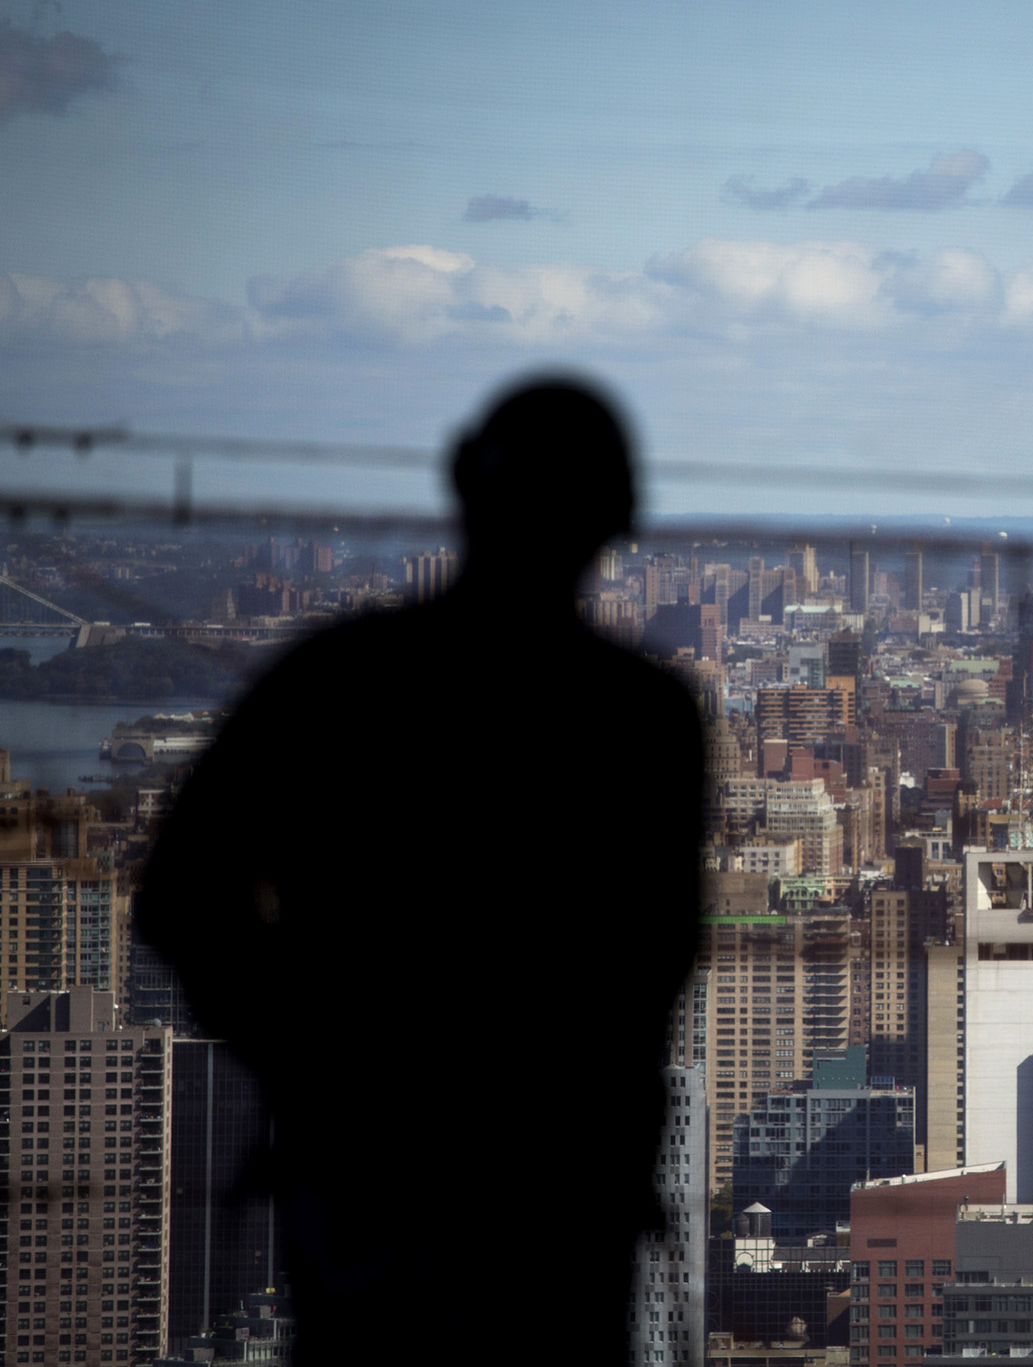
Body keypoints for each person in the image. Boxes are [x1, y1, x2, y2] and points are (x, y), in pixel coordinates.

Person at [139, 374, 704, 1364]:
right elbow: (656, 956)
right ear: (614, 522)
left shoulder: (340, 680)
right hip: (558, 1202)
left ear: (462, 487)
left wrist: (309, 1058)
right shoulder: (640, 718)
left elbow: (182, 896)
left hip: (375, 1183)